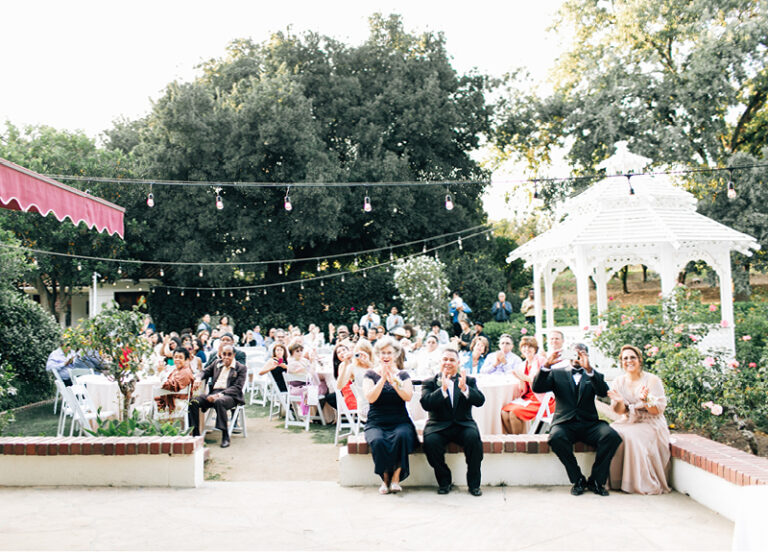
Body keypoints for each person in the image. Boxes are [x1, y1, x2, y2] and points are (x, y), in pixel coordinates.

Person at [532, 343, 622, 496]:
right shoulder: (556, 373)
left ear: (586, 356)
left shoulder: (594, 374)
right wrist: (547, 364)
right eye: (574, 353)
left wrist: (589, 369)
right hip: (564, 423)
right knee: (556, 438)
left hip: (590, 424)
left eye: (581, 354)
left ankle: (596, 480)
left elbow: (602, 391)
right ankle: (577, 479)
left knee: (611, 436)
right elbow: (537, 387)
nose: (577, 357)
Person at [421, 348, 486, 496]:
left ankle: (474, 484)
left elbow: (480, 401)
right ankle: (444, 481)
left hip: (463, 424)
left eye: (451, 360)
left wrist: (465, 389)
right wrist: (442, 390)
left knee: (473, 439)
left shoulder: (469, 380)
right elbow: (426, 404)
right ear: (440, 362)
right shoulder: (429, 382)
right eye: (445, 359)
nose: (448, 363)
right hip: (437, 425)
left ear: (458, 363)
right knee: (431, 443)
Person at [607, 345, 671, 494]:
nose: (629, 361)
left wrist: (647, 399)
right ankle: (616, 480)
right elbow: (619, 411)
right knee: (610, 432)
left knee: (632, 436)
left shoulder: (652, 380)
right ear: (621, 362)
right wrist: (619, 402)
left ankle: (636, 483)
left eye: (632, 357)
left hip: (650, 422)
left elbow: (657, 410)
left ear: (640, 360)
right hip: (628, 420)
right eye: (625, 358)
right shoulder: (618, 381)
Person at [363, 337, 418, 494]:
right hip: (376, 421)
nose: (386, 356)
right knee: (378, 440)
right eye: (382, 353)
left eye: (389, 353)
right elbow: (370, 397)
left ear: (395, 355)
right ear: (378, 355)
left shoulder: (403, 374)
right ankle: (384, 479)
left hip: (400, 420)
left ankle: (395, 479)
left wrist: (394, 382)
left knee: (402, 436)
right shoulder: (370, 374)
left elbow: (407, 396)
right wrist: (382, 380)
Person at [188, 344, 247, 448]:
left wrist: (220, 395)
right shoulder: (216, 363)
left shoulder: (240, 368)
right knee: (193, 401)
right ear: (221, 354)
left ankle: (225, 436)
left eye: (229, 354)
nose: (226, 357)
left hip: (230, 396)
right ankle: (196, 434)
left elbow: (237, 387)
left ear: (234, 355)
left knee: (219, 401)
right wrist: (198, 378)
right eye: (224, 354)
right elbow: (204, 372)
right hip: (213, 393)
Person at [501, 336, 553, 434]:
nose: (526, 349)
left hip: (541, 399)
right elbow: (523, 389)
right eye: (524, 347)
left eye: (530, 347)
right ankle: (514, 441)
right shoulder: (522, 365)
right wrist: (520, 378)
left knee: (514, 413)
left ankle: (519, 443)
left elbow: (544, 382)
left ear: (535, 349)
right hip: (528, 398)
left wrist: (525, 378)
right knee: (504, 412)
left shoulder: (541, 361)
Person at [155, 348, 195, 413]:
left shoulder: (185, 372)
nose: (177, 360)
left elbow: (170, 385)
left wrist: (162, 372)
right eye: (175, 357)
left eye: (180, 357)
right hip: (170, 399)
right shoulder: (176, 370)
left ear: (186, 360)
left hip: (177, 402)